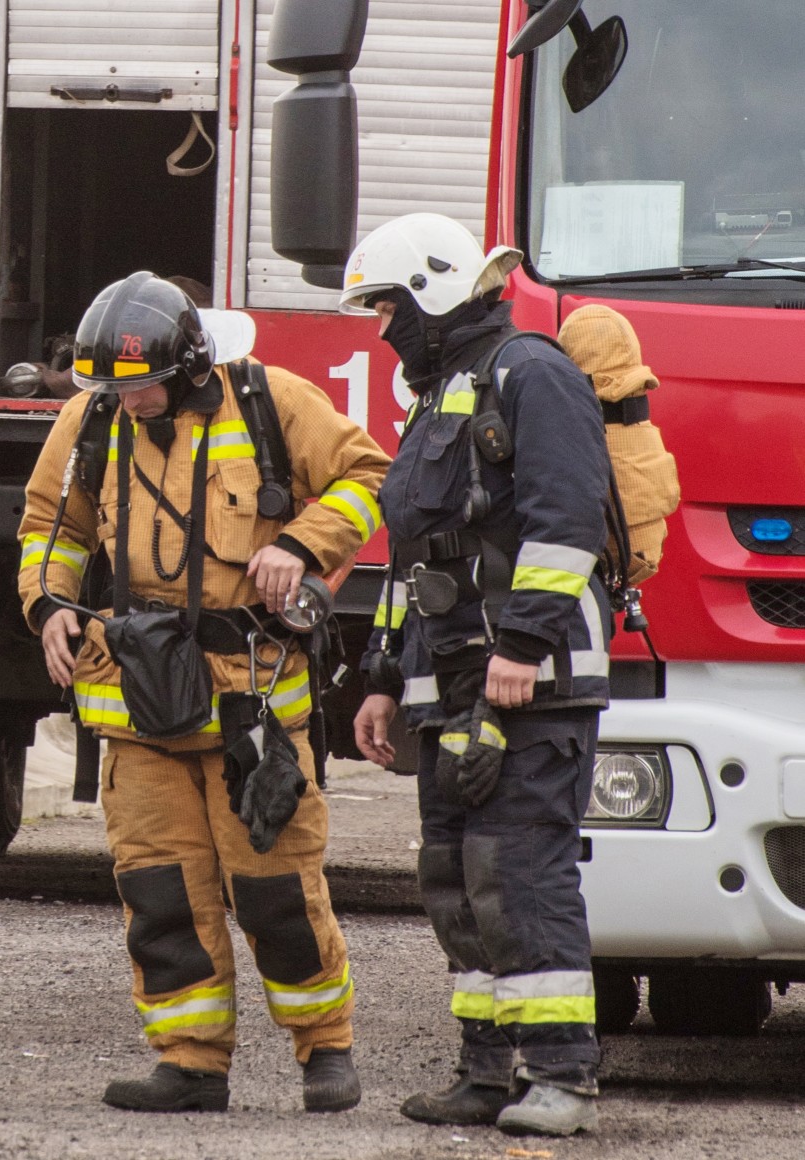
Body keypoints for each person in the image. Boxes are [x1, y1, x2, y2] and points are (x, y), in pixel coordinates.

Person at [16, 273, 388, 1114]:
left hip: (248, 699)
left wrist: (300, 541)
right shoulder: (94, 416)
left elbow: (366, 476)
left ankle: (324, 1051)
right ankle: (188, 1064)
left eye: (138, 385)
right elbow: (52, 525)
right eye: (109, 387)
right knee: (159, 895)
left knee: (275, 889)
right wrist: (47, 605)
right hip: (137, 703)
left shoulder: (269, 401)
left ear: (187, 366)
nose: (125, 401)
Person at [345, 212, 611, 1138]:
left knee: (519, 870)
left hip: (527, 685)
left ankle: (562, 1077)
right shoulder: (436, 397)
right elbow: (415, 555)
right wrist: (381, 675)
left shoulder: (529, 373)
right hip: (447, 686)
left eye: (387, 307)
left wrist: (523, 646)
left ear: (430, 289)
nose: (381, 330)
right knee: (454, 875)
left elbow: (567, 515)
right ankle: (485, 1070)